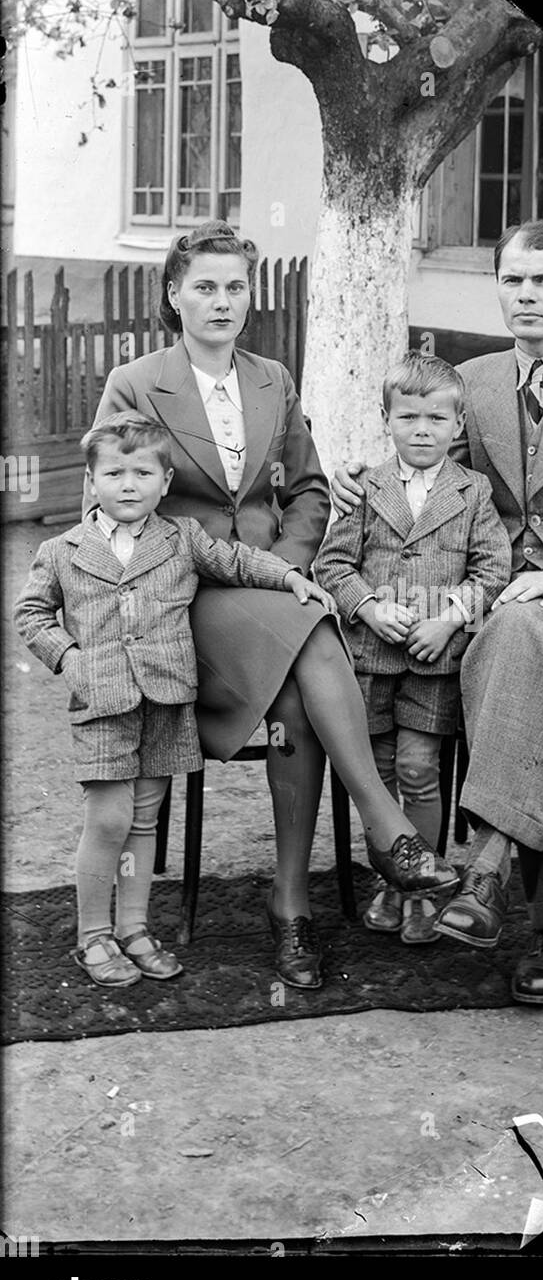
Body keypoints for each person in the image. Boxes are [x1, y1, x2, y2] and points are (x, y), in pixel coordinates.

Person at [89, 220, 457, 991]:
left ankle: (291, 907)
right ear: (174, 295)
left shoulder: (272, 379)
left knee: (297, 686)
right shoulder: (136, 381)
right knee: (313, 629)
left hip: (268, 590)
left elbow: (312, 489)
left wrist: (280, 567)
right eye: (205, 287)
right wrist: (255, 576)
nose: (222, 302)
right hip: (178, 593)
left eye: (235, 287)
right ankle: (385, 828)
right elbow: (110, 498)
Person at [332, 219, 543, 1004]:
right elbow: (427, 466)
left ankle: (484, 869)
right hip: (483, 595)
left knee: (520, 637)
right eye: (513, 280)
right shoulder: (472, 380)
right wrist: (363, 477)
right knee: (518, 660)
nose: (526, 295)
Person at [14, 411, 338, 986]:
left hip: (165, 703)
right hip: (104, 702)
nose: (129, 484)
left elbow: (237, 561)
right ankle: (94, 935)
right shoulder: (62, 550)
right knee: (108, 819)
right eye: (114, 473)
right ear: (91, 481)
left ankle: (135, 928)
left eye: (143, 472)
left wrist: (289, 578)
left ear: (165, 483)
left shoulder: (182, 538)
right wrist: (71, 659)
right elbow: (32, 615)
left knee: (144, 820)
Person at [314, 351, 511, 944]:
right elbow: (333, 564)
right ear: (386, 419)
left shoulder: (473, 492)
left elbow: (493, 568)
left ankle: (420, 895)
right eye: (407, 418)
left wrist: (449, 620)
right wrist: (371, 608)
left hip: (434, 662)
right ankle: (396, 879)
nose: (421, 431)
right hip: (372, 661)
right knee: (376, 773)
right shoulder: (365, 489)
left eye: (435, 420)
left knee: (419, 770)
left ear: (458, 426)